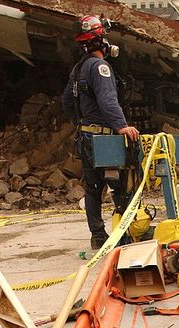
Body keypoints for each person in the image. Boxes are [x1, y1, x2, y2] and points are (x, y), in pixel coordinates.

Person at [62, 15, 139, 250]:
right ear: (99, 40)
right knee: (120, 186)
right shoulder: (100, 67)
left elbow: (67, 101)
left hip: (86, 138)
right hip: (105, 139)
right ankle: (124, 234)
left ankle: (98, 235)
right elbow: (108, 100)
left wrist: (81, 123)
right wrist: (121, 126)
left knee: (93, 188)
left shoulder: (78, 70)